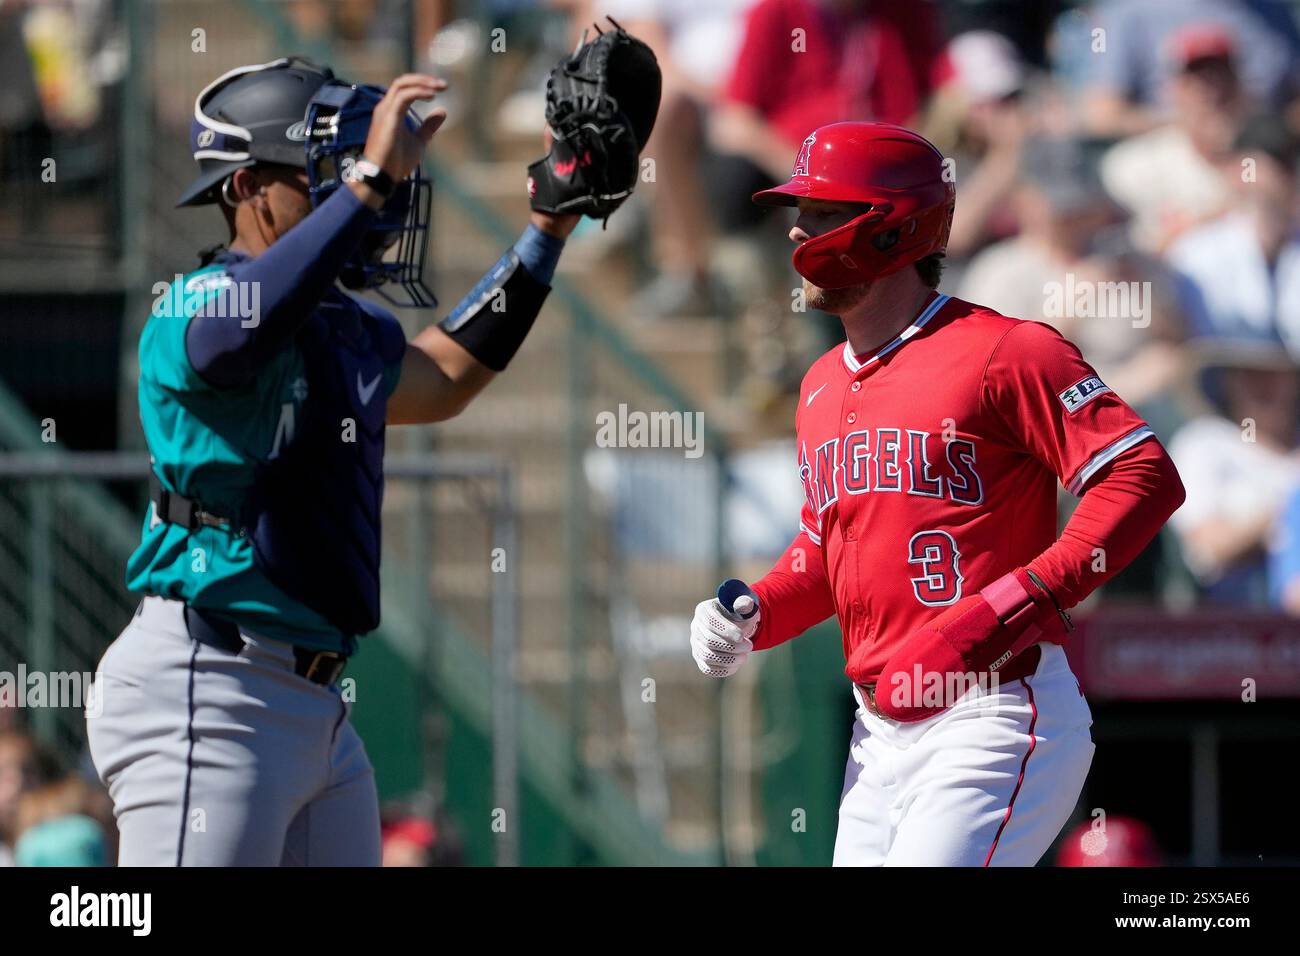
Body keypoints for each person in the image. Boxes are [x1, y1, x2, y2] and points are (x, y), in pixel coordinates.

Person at [85, 56, 585, 866]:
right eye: (321, 172)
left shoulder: (338, 323)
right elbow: (233, 335)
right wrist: (364, 187)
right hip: (210, 687)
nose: (351, 189)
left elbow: (448, 375)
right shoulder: (192, 304)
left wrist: (546, 230)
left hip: (319, 708)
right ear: (245, 187)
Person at [689, 122, 1185, 866]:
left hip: (992, 711)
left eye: (824, 213)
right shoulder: (821, 383)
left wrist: (1022, 598)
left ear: (896, 229)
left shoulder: (1006, 350)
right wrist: (756, 612)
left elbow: (1142, 475)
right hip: (877, 734)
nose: (797, 230)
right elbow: (828, 549)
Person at [1168, 341, 1300, 605]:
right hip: (1232, 615)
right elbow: (1208, 548)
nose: (1264, 386)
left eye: (1276, 374)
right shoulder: (1204, 442)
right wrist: (1287, 512)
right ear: (1229, 382)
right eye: (1250, 375)